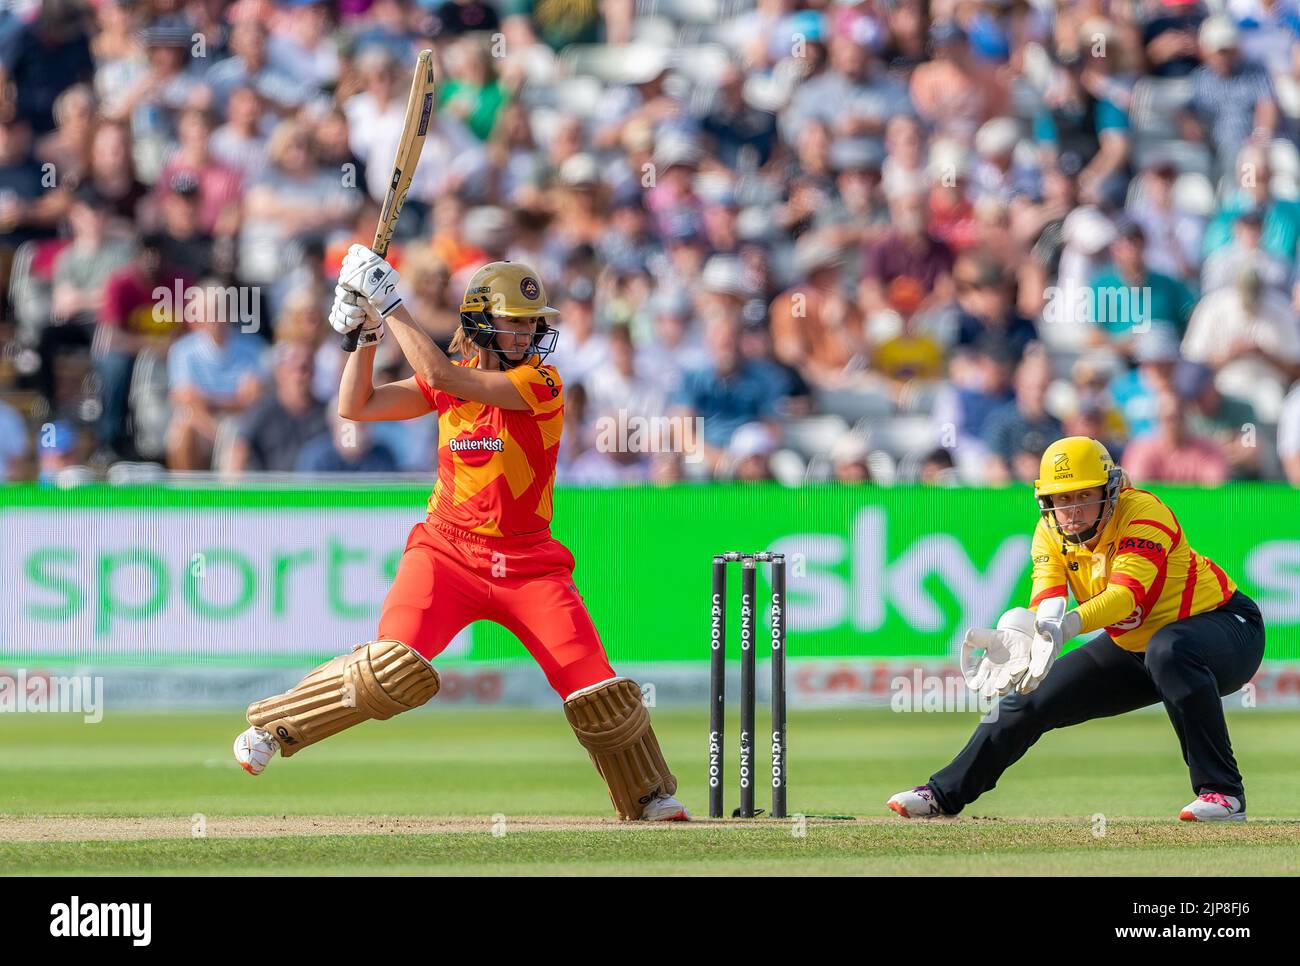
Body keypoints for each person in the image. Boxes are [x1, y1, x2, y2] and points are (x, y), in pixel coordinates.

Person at [233, 252, 689, 822]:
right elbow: (357, 404)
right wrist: (364, 335)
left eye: (530, 321)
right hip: (446, 555)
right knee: (389, 669)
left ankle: (648, 796)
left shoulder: (541, 382)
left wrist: (389, 301)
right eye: (512, 320)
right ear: (480, 322)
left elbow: (444, 376)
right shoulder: (446, 376)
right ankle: (274, 728)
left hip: (529, 565)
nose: (524, 332)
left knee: (600, 694)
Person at [887, 437, 1265, 822]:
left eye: (1083, 496)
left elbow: (1125, 597)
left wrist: (1067, 626)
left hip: (1228, 631)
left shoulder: (1144, 513)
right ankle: (942, 795)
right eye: (1061, 499)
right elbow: (1046, 599)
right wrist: (1028, 635)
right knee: (1029, 698)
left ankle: (1222, 794)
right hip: (1138, 646)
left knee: (1169, 649)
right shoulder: (1049, 531)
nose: (1071, 511)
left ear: (1110, 490)